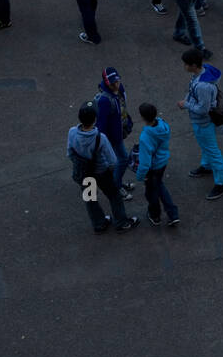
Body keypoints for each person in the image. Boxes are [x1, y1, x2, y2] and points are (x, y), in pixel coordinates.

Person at [67, 101, 139, 234]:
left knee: (90, 199)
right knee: (114, 196)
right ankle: (121, 223)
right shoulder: (100, 138)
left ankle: (99, 224)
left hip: (84, 173)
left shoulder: (72, 132)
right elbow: (112, 161)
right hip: (102, 173)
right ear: (95, 119)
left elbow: (70, 153)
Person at [178, 48, 223, 200]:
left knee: (213, 150)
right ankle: (206, 166)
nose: (184, 66)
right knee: (206, 145)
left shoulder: (203, 86)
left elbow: (203, 109)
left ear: (194, 65)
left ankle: (222, 182)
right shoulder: (205, 71)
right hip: (203, 121)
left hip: (202, 122)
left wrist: (186, 104)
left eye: (186, 64)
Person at [134, 103, 179, 227]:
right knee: (159, 185)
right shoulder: (164, 125)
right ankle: (173, 214)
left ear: (143, 117)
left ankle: (155, 216)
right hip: (162, 162)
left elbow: (145, 163)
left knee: (151, 192)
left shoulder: (145, 137)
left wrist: (140, 176)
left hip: (152, 168)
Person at [95, 66, 135, 200]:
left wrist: (127, 121)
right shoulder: (104, 101)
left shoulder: (119, 88)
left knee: (118, 160)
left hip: (119, 131)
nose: (116, 85)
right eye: (113, 83)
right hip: (112, 137)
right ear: (107, 83)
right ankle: (116, 186)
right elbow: (101, 125)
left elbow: (123, 105)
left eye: (117, 81)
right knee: (123, 159)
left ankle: (117, 182)